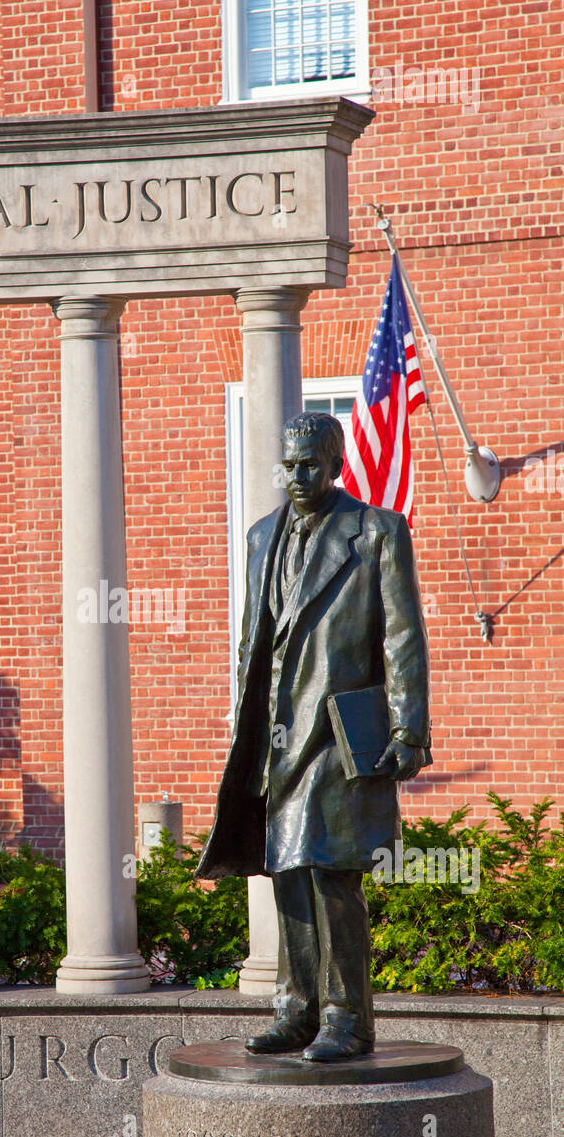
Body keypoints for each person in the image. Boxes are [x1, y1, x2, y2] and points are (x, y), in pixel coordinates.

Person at [197, 411, 431, 1060]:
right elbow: (253, 638)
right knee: (287, 871)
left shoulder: (377, 532)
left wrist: (409, 730)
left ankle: (347, 1018)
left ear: (334, 465)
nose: (297, 476)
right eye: (289, 464)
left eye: (310, 465)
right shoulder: (259, 538)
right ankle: (296, 1009)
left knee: (331, 871)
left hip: (339, 728)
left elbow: (403, 634)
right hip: (276, 734)